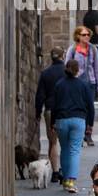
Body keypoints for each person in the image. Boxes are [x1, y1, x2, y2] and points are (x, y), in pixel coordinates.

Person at [52, 60, 95, 195]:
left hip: (61, 120)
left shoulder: (59, 85)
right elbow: (90, 105)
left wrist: (52, 122)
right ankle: (71, 180)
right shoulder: (83, 85)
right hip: (78, 119)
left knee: (64, 149)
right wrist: (90, 123)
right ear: (78, 70)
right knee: (75, 150)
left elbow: (54, 105)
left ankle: (65, 179)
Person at [64, 26, 98, 146]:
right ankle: (80, 134)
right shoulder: (73, 49)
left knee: (90, 109)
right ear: (78, 36)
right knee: (79, 108)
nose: (86, 37)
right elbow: (66, 66)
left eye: (88, 35)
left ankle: (88, 133)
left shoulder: (93, 49)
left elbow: (97, 68)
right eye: (84, 35)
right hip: (76, 83)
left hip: (90, 83)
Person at [35, 48, 67, 184]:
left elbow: (40, 95)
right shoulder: (67, 72)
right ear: (63, 56)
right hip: (66, 110)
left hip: (50, 110)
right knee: (66, 144)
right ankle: (66, 172)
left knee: (53, 142)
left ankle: (54, 172)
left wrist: (37, 112)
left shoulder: (46, 73)